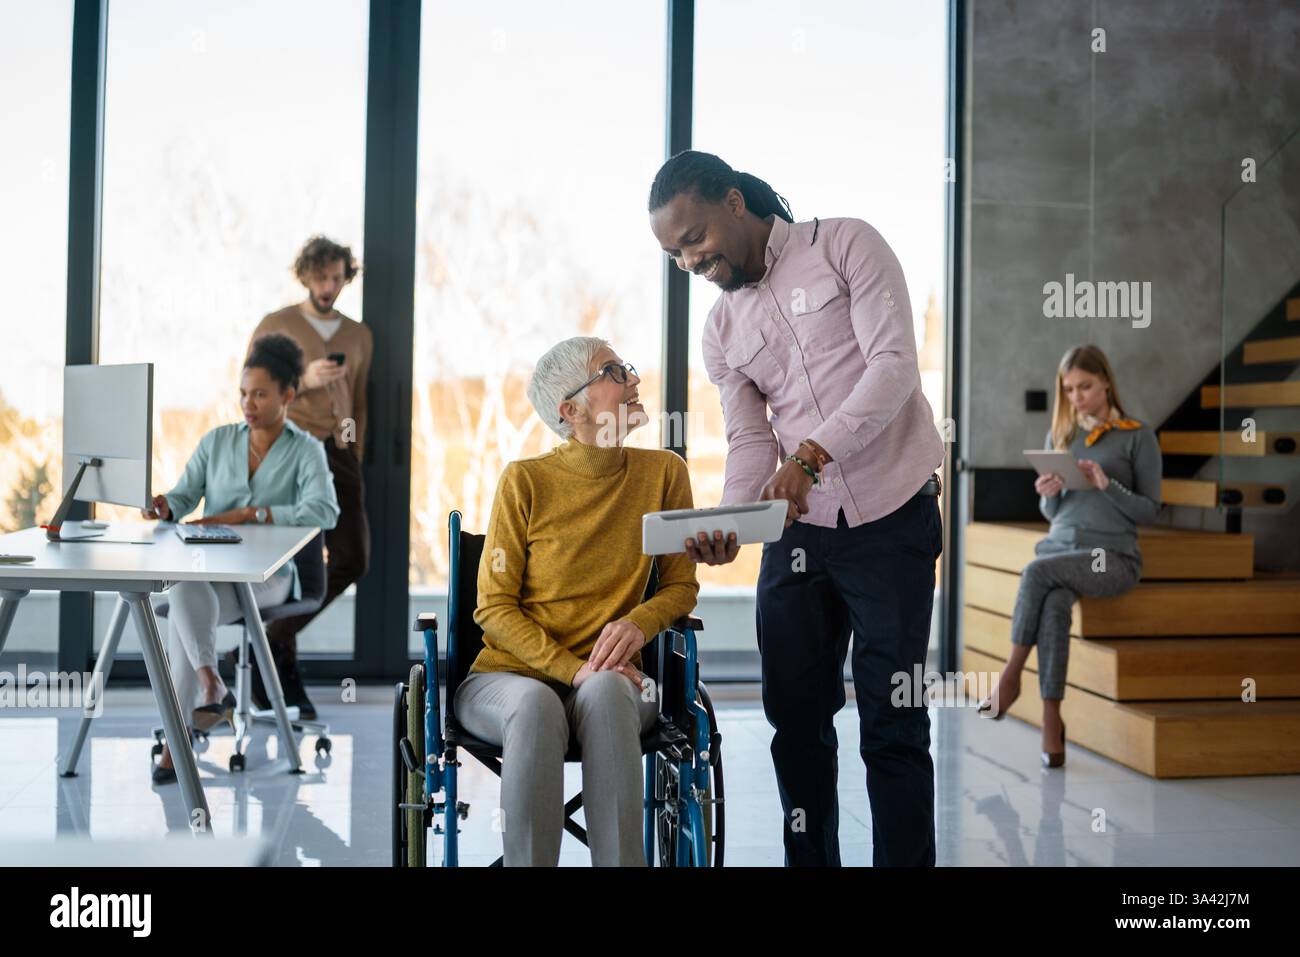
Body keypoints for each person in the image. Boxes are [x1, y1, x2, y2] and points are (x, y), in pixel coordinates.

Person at [648, 150, 945, 867]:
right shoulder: (721, 332)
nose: (689, 261)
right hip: (800, 535)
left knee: (893, 722)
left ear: (733, 204)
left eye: (693, 240)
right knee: (796, 722)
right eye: (674, 254)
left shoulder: (845, 244)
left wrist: (811, 453)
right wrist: (730, 518)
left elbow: (894, 365)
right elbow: (751, 438)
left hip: (893, 520)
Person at [453, 336, 699, 866]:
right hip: (506, 678)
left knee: (608, 693)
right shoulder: (526, 482)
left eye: (627, 367)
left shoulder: (665, 474)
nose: (634, 380)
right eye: (614, 372)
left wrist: (638, 623)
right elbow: (493, 609)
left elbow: (681, 585)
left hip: (621, 680)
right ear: (571, 410)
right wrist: (572, 670)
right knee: (537, 703)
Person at [141, 334, 340, 784]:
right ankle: (212, 684)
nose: (248, 404)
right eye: (244, 393)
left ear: (287, 395)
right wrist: (166, 505)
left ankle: (183, 736)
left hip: (269, 579)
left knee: (181, 615)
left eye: (260, 394)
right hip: (211, 576)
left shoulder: (305, 450)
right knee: (186, 587)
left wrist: (254, 514)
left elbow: (325, 510)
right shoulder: (218, 442)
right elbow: (184, 494)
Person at [978, 345, 1161, 766]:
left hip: (1112, 557)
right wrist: (1048, 496)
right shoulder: (1061, 434)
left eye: (1085, 386)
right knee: (1055, 604)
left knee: (1036, 572)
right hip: (1062, 548)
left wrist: (1107, 484)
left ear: (1106, 383)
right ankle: (1051, 720)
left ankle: (1009, 678)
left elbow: (1151, 511)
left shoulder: (1137, 434)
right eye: (1070, 389)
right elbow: (1055, 515)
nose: (1077, 396)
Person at [244, 235, 372, 719]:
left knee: (353, 557)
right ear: (306, 276)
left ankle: (267, 642)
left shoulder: (360, 336)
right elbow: (252, 389)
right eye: (320, 277)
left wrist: (350, 446)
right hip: (286, 451)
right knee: (291, 565)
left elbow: (356, 403)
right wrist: (305, 381)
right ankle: (280, 678)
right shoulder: (277, 324)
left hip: (337, 454)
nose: (329, 286)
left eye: (337, 277)